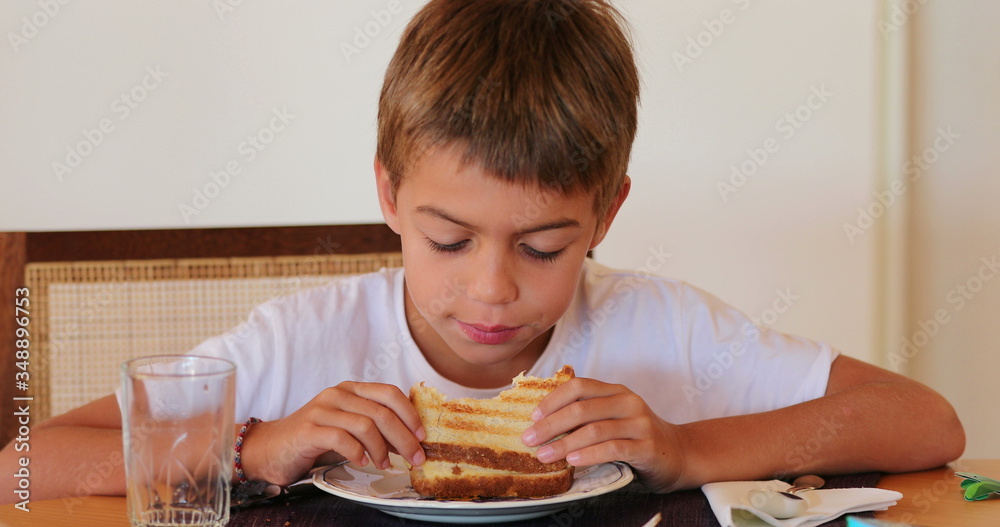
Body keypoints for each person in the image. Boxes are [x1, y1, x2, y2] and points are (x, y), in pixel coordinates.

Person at [1, 0, 963, 502]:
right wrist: (260, 443)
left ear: (607, 213)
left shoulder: (662, 328)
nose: (492, 288)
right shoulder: (303, 341)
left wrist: (684, 448)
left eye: (545, 246)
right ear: (387, 193)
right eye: (448, 238)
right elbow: (23, 469)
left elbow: (923, 421)